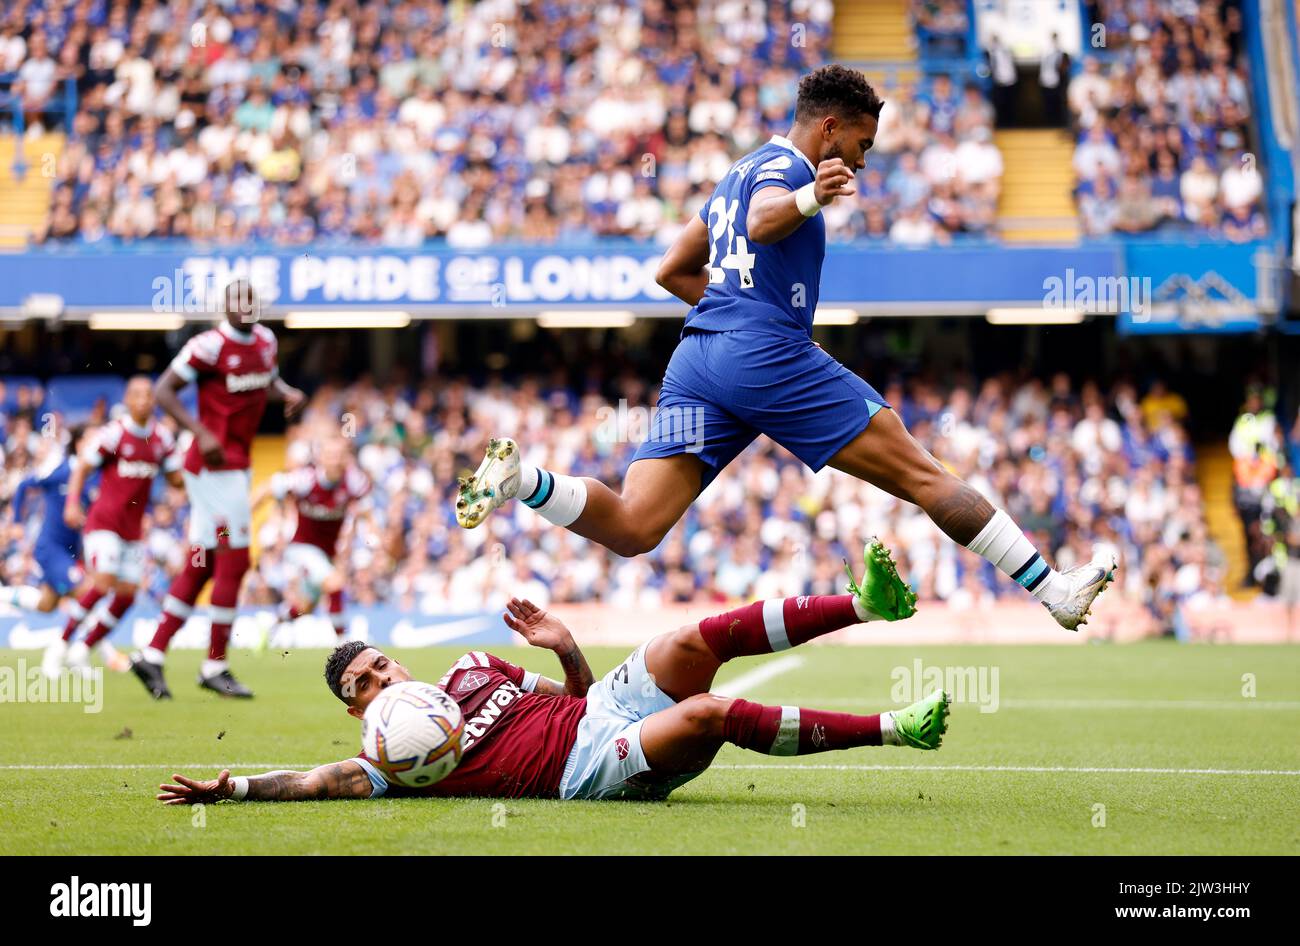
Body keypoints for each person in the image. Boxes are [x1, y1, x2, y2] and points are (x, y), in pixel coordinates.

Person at [455, 64, 1115, 631]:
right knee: (924, 475)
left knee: (634, 526)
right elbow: (764, 221)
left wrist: (729, 306)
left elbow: (671, 269)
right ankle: (1052, 592)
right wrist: (808, 198)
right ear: (829, 126)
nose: (861, 160)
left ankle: (525, 481)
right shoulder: (782, 171)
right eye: (861, 143)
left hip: (699, 363)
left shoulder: (735, 171)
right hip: (764, 354)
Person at [157, 541, 950, 804]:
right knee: (708, 712)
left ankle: (864, 604)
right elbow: (316, 782)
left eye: (376, 663)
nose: (378, 677)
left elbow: (573, 694)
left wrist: (567, 648)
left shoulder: (471, 668)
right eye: (360, 683)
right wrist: (232, 790)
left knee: (690, 640)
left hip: (595, 708)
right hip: (592, 767)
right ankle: (895, 731)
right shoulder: (397, 758)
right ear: (355, 707)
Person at [129, 280, 306, 700]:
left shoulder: (265, 341)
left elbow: (268, 379)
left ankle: (152, 654)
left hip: (236, 468)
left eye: (251, 301)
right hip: (211, 469)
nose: (245, 309)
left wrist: (286, 393)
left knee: (204, 560)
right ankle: (215, 665)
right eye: (237, 302)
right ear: (224, 307)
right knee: (235, 557)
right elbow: (163, 390)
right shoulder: (208, 346)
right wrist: (199, 432)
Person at [43, 377, 184, 678]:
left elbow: (176, 479)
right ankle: (59, 645)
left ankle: (82, 650)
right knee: (103, 584)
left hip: (132, 530)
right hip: (104, 522)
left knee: (128, 595)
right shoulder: (114, 433)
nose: (144, 400)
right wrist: (71, 504)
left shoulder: (162, 438)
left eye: (149, 395)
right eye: (137, 395)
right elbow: (83, 466)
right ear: (129, 400)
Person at [251, 437, 373, 640]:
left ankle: (270, 626)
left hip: (327, 553)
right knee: (335, 583)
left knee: (304, 607)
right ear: (320, 458)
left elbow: (367, 511)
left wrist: (374, 535)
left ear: (346, 457)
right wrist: (242, 520)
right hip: (300, 548)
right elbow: (266, 490)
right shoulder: (305, 479)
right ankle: (346, 648)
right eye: (330, 455)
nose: (335, 460)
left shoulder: (354, 480)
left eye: (339, 455)